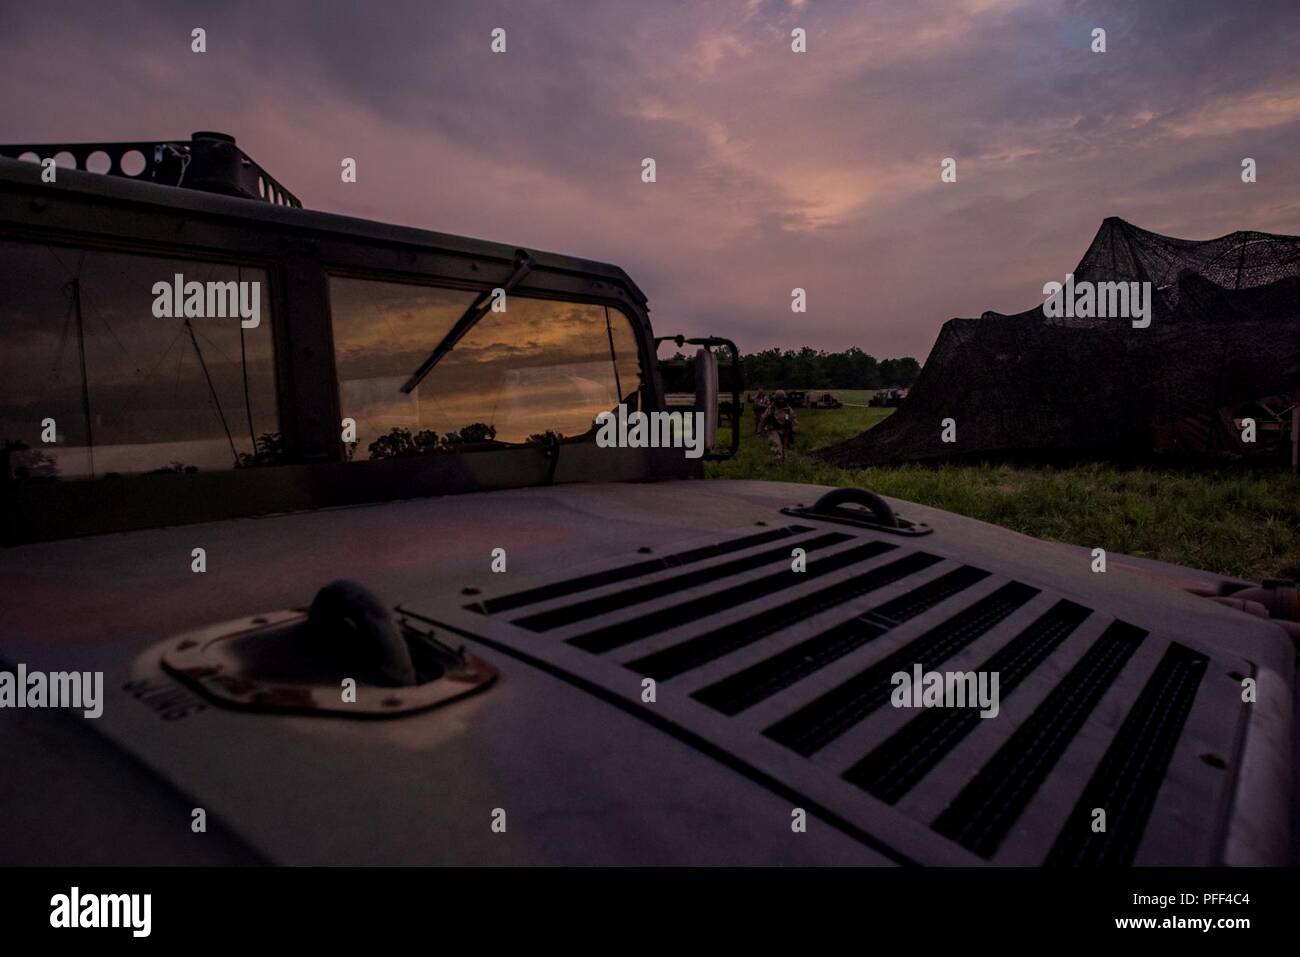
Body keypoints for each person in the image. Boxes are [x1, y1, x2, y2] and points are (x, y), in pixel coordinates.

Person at [759, 390, 797, 461]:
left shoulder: (788, 409)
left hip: (785, 431)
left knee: (784, 448)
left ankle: (783, 462)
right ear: (776, 399)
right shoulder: (771, 408)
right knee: (777, 445)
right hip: (773, 430)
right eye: (779, 399)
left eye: (782, 399)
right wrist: (760, 430)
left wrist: (794, 427)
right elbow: (764, 418)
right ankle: (777, 461)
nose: (781, 401)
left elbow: (793, 418)